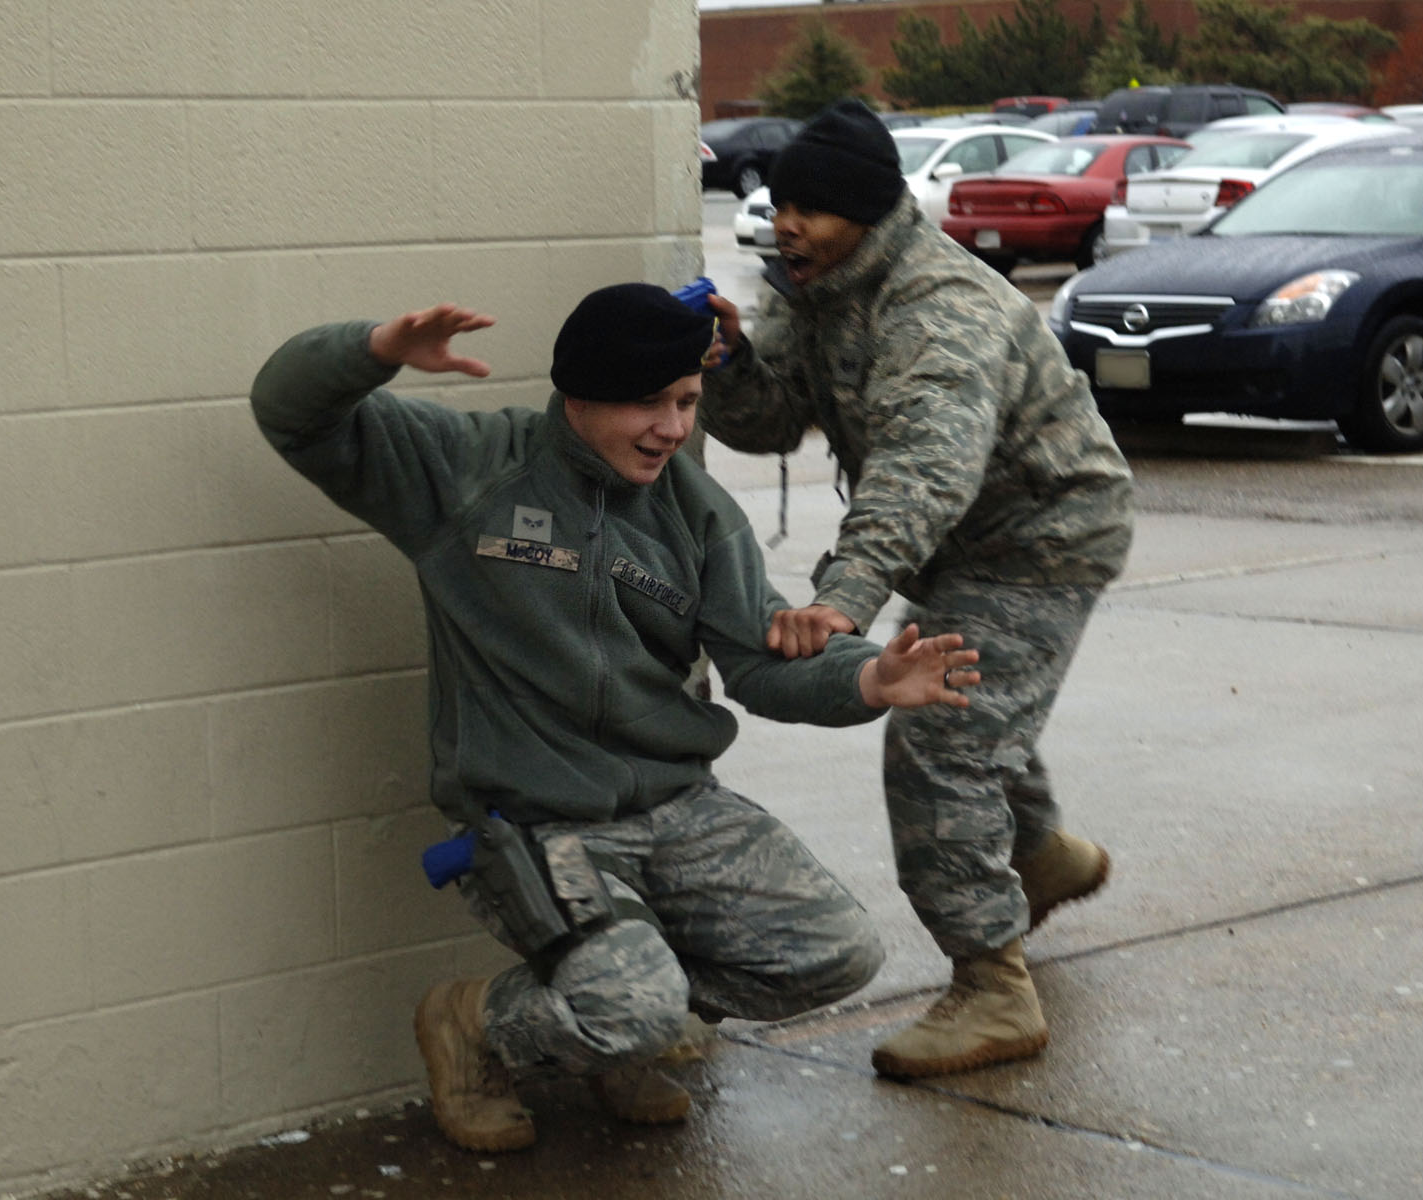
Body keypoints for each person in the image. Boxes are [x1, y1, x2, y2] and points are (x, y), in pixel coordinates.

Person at [249, 283, 984, 1152]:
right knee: (633, 1005)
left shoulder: (697, 513)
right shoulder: (468, 468)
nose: (673, 429)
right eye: (648, 403)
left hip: (674, 803)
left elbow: (758, 660)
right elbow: (288, 411)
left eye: (685, 402)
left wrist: (868, 682)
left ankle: (623, 1025)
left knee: (836, 953)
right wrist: (375, 350)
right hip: (531, 815)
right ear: (581, 396)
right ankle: (478, 1025)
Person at [697, 99, 1135, 1079]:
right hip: (965, 544)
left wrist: (843, 599)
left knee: (939, 738)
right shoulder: (817, 287)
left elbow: (921, 472)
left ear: (866, 212)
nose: (788, 226)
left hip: (1044, 537)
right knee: (964, 703)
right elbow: (773, 417)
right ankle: (1045, 857)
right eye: (782, 207)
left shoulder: (940, 309)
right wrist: (727, 361)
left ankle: (993, 991)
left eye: (810, 210)